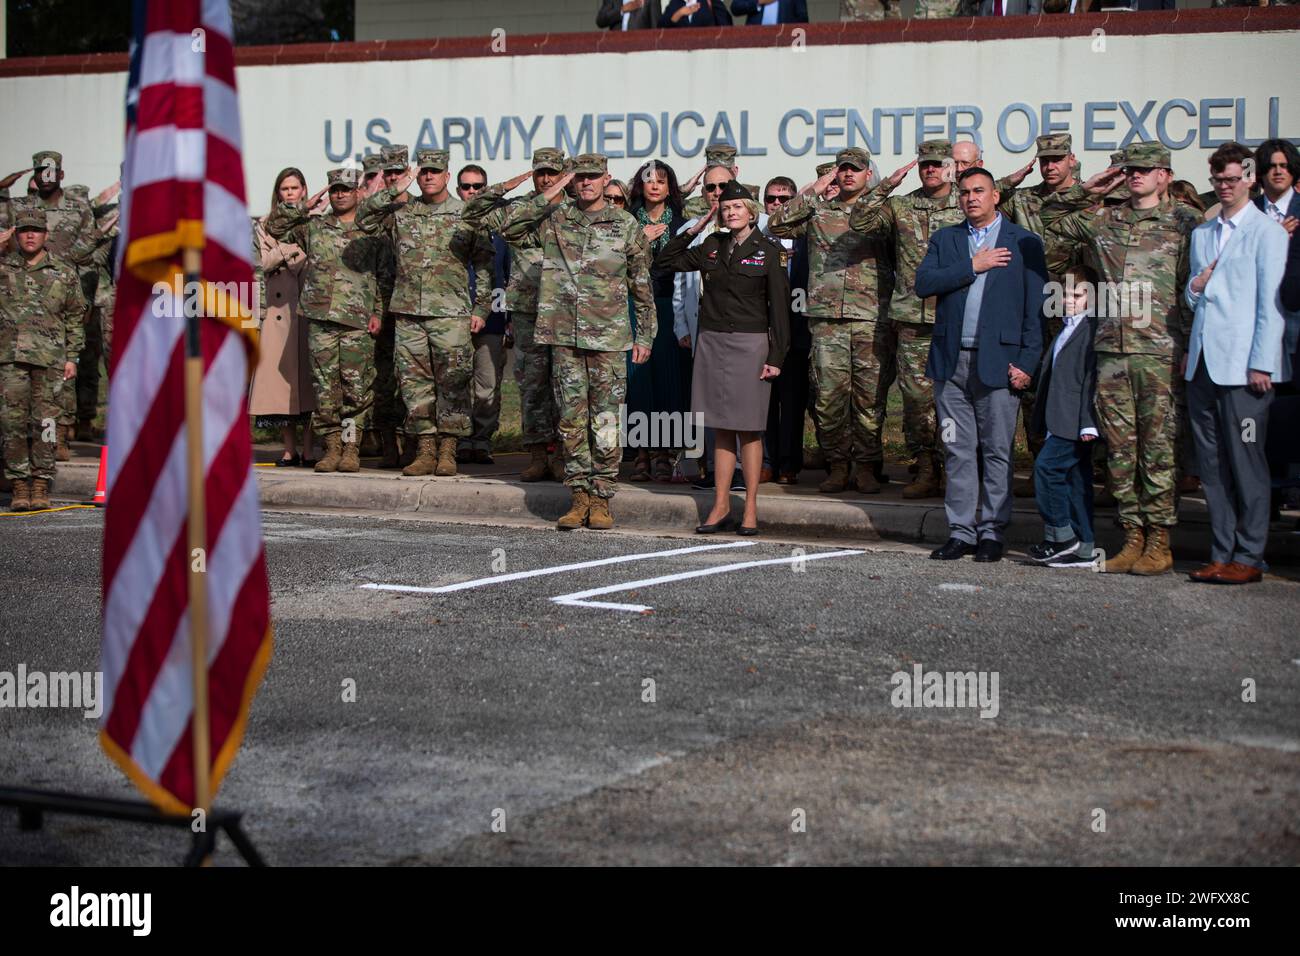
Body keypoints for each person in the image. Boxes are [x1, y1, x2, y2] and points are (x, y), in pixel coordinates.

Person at [1043, 141, 1199, 576]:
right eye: (1131, 169)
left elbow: (1193, 286)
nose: (1135, 176)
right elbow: (1051, 222)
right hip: (1111, 350)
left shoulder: (1185, 221)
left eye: (1145, 170)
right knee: (1121, 450)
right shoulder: (1104, 217)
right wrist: (1088, 190)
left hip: (1160, 351)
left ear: (1164, 175)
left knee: (1159, 449)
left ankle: (1160, 541)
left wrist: (1188, 345)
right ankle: (1131, 538)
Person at [500, 153, 655, 531]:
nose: (586, 183)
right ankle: (578, 495)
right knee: (570, 419)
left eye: (593, 177)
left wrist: (646, 334)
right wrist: (553, 189)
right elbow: (510, 229)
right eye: (579, 177)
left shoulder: (624, 224)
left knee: (604, 419)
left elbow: (641, 283)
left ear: (607, 179)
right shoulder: (554, 219)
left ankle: (601, 497)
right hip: (563, 335)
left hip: (608, 338)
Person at [916, 167, 1046, 562]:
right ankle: (960, 531)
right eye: (965, 192)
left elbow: (1034, 312)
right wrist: (974, 265)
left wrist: (1026, 362)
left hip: (999, 364)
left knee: (996, 450)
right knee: (957, 448)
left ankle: (991, 531)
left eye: (979, 191)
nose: (971, 197)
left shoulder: (1024, 242)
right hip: (951, 365)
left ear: (996, 197)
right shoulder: (946, 239)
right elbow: (924, 284)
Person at [1183, 142, 1288, 585]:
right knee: (1211, 468)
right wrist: (1194, 286)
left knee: (1247, 463)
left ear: (1249, 177)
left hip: (1246, 370)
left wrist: (1262, 363)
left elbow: (1272, 304)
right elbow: (1193, 300)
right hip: (1203, 366)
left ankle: (1250, 554)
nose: (1224, 187)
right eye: (1217, 181)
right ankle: (1221, 552)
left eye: (1231, 179)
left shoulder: (1268, 233)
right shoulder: (1202, 234)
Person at [659, 181, 790, 534]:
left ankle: (749, 508)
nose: (730, 213)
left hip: (751, 345)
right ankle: (719, 506)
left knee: (748, 428)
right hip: (712, 342)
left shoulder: (769, 250)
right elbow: (665, 261)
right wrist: (695, 230)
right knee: (720, 427)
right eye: (725, 208)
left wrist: (777, 355)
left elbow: (779, 310)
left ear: (751, 212)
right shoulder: (711, 246)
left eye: (737, 208)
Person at [357, 149, 493, 478]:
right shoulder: (402, 212)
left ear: (448, 176)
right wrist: (395, 186)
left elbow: (484, 264)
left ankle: (448, 450)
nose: (429, 176)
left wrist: (482, 307)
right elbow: (364, 218)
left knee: (453, 383)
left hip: (450, 312)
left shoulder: (465, 214)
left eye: (435, 171)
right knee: (414, 385)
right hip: (408, 313)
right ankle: (425, 449)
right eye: (424, 172)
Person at [769, 147, 894, 495]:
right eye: (843, 169)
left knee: (869, 398)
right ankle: (838, 465)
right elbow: (775, 223)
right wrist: (814, 189)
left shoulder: (881, 211)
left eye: (856, 169)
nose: (848, 175)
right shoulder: (818, 212)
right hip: (826, 319)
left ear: (868, 174)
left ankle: (867, 467)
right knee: (828, 397)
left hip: (869, 318)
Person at [849, 139, 966, 498]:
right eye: (924, 164)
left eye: (936, 164)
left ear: (950, 167)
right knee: (917, 403)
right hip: (914, 320)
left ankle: (957, 468)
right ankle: (926, 468)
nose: (929, 170)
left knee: (957, 400)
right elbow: (860, 220)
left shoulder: (967, 203)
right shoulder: (901, 205)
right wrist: (886, 185)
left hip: (957, 318)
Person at [265, 167, 393, 474]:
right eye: (335, 189)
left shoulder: (371, 231)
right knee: (325, 388)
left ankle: (351, 448)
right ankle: (331, 448)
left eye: (345, 190)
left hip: (357, 320)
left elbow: (384, 276)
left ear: (357, 193)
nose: (339, 195)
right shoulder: (313, 227)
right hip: (320, 318)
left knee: (356, 389)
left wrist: (378, 312)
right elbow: (275, 226)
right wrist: (302, 206)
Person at [462, 148, 569, 482]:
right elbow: (473, 211)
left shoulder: (576, 211)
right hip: (528, 311)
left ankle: (565, 455)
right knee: (533, 386)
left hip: (567, 312)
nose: (546, 179)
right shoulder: (520, 207)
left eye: (553, 172)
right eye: (540, 173)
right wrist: (509, 183)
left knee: (567, 387)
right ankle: (538, 455)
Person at [0, 151, 99, 461]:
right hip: (22, 293)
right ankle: (24, 449)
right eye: (41, 171)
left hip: (63, 289)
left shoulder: (78, 207)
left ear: (61, 175)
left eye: (51, 171)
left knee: (63, 367)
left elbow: (90, 244)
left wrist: (59, 262)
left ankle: (60, 433)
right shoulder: (20, 207)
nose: (46, 176)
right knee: (18, 382)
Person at [0, 207, 85, 511]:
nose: (30, 235)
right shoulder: (4, 267)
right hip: (10, 359)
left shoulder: (63, 272)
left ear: (46, 235)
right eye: (23, 230)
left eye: (35, 230)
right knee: (12, 424)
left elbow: (76, 316)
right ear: (16, 234)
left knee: (47, 423)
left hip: (51, 360)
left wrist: (72, 355)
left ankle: (41, 483)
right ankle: (19, 484)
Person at [1027, 264, 1100, 569]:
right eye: (1066, 293)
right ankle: (1084, 548)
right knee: (1076, 481)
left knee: (1047, 469)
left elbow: (1091, 379)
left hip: (1075, 421)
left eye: (1078, 294)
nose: (1070, 299)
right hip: (1058, 416)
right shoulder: (1066, 326)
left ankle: (1061, 536)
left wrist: (1088, 421)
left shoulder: (1092, 329)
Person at [627, 160, 690, 482]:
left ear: (670, 187)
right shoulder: (624, 222)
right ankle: (641, 453)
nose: (654, 185)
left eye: (661, 181)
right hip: (632, 308)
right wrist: (640, 239)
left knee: (668, 382)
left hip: (668, 307)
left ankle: (667, 453)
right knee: (639, 383)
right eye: (648, 179)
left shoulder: (681, 224)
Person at [250, 166, 317, 468]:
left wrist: (289, 254)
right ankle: (288, 448)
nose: (290, 194)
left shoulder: (314, 222)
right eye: (285, 189)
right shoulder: (264, 225)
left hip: (306, 306)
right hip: (276, 312)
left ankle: (308, 447)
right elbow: (259, 261)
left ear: (304, 190)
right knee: (280, 386)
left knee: (310, 382)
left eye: (295, 188)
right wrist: (288, 252)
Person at [453, 164, 509, 465]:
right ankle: (460, 440)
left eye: (478, 187)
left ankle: (482, 440)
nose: (472, 192)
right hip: (453, 316)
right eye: (466, 186)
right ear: (457, 189)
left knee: (487, 386)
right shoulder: (449, 223)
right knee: (456, 384)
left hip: (493, 317)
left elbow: (509, 272)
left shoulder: (499, 226)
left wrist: (508, 318)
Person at [762, 175, 811, 484]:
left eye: (784, 199)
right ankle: (766, 460)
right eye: (772, 199)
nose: (777, 204)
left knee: (793, 401)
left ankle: (789, 463)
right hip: (764, 331)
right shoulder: (759, 236)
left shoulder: (808, 235)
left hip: (798, 330)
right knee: (764, 403)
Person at [661, 0, 734, 27]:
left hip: (707, 53)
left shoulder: (710, 2)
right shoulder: (675, 3)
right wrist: (679, 14)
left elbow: (725, 27)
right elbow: (661, 26)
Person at [596, 0, 663, 29]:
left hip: (641, 49)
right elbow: (600, 21)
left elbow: (656, 28)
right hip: (615, 48)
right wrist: (621, 11)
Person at [732, 0, 808, 23]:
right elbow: (735, 7)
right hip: (755, 40)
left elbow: (803, 18)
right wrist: (759, 2)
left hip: (784, 40)